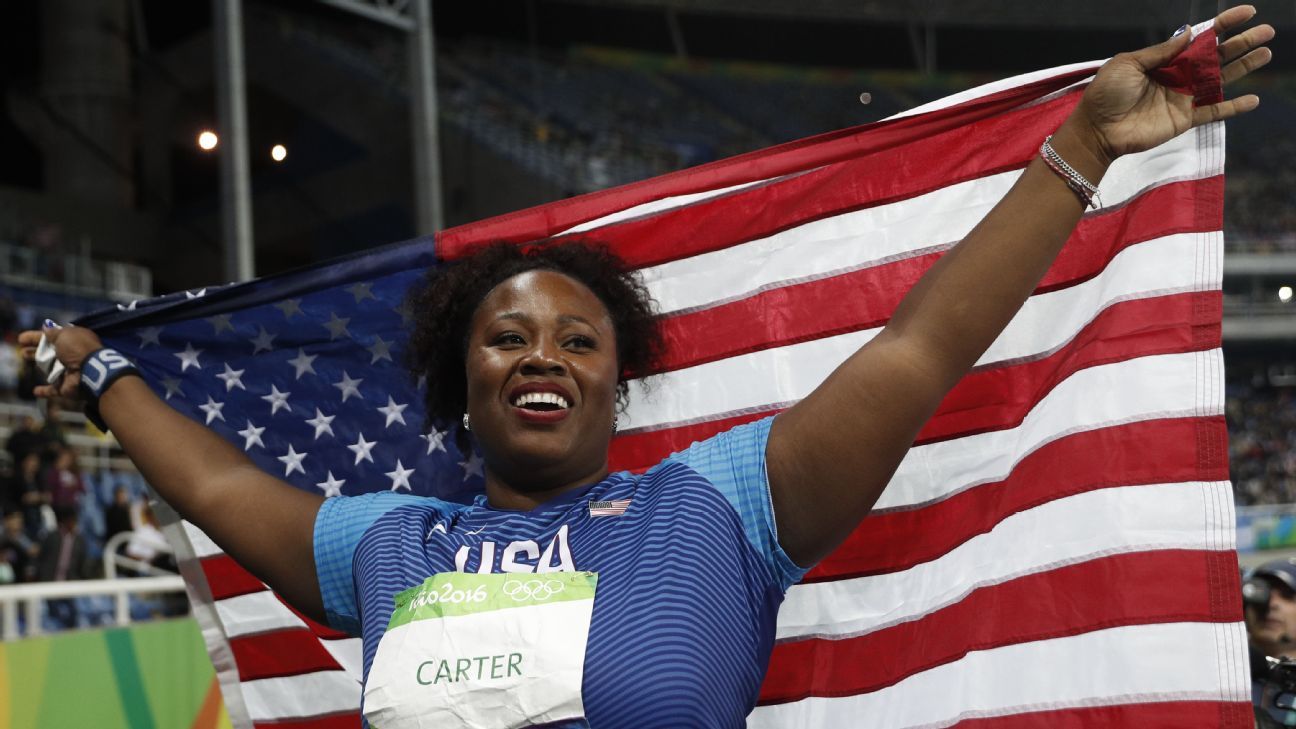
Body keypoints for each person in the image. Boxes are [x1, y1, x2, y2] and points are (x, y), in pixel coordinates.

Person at [17, 8, 1275, 727]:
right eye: (507, 337)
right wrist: (100, 374)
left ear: (617, 387)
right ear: (462, 385)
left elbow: (920, 346)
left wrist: (1079, 150)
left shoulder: (717, 507)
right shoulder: (389, 544)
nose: (542, 355)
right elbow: (220, 490)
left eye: (579, 340)